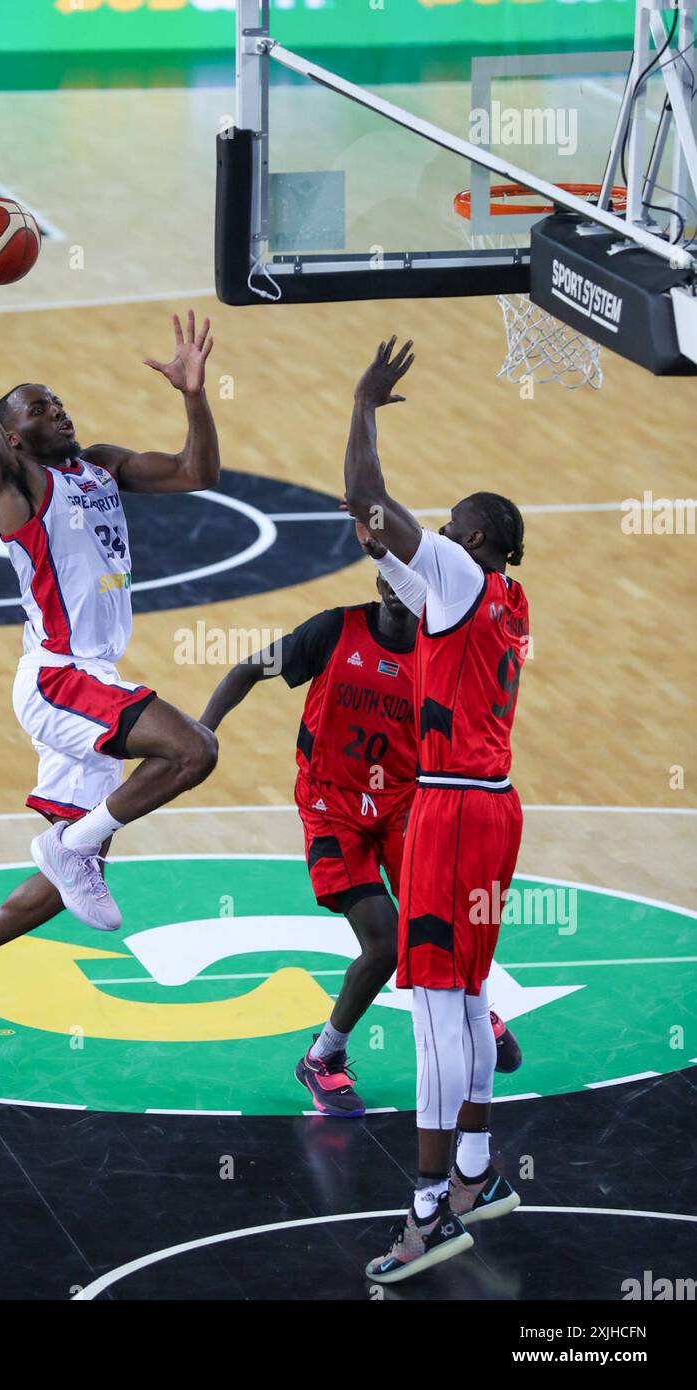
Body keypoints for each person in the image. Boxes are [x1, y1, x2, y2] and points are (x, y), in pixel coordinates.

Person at [0, 223, 220, 1063]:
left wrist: (193, 393)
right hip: (57, 678)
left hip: (94, 676)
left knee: (67, 880)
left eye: (58, 400)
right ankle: (73, 846)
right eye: (38, 408)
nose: (58, 410)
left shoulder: (103, 467)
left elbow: (198, 474)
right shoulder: (19, 486)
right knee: (193, 751)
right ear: (12, 438)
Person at [201, 524, 521, 1118]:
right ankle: (324, 1058)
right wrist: (204, 729)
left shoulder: (441, 645)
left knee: (445, 920)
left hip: (405, 804)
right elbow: (248, 669)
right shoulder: (334, 630)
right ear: (381, 579)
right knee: (383, 947)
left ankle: (475, 1010)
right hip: (332, 806)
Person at [343, 337, 529, 1284]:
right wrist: (387, 547)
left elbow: (372, 508)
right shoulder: (502, 596)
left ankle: (424, 1214)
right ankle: (474, 1175)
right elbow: (384, 550)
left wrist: (364, 403)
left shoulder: (460, 574)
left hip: (451, 817)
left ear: (481, 543)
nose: (443, 533)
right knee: (469, 1001)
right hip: (495, 814)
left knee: (436, 1016)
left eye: (457, 524)